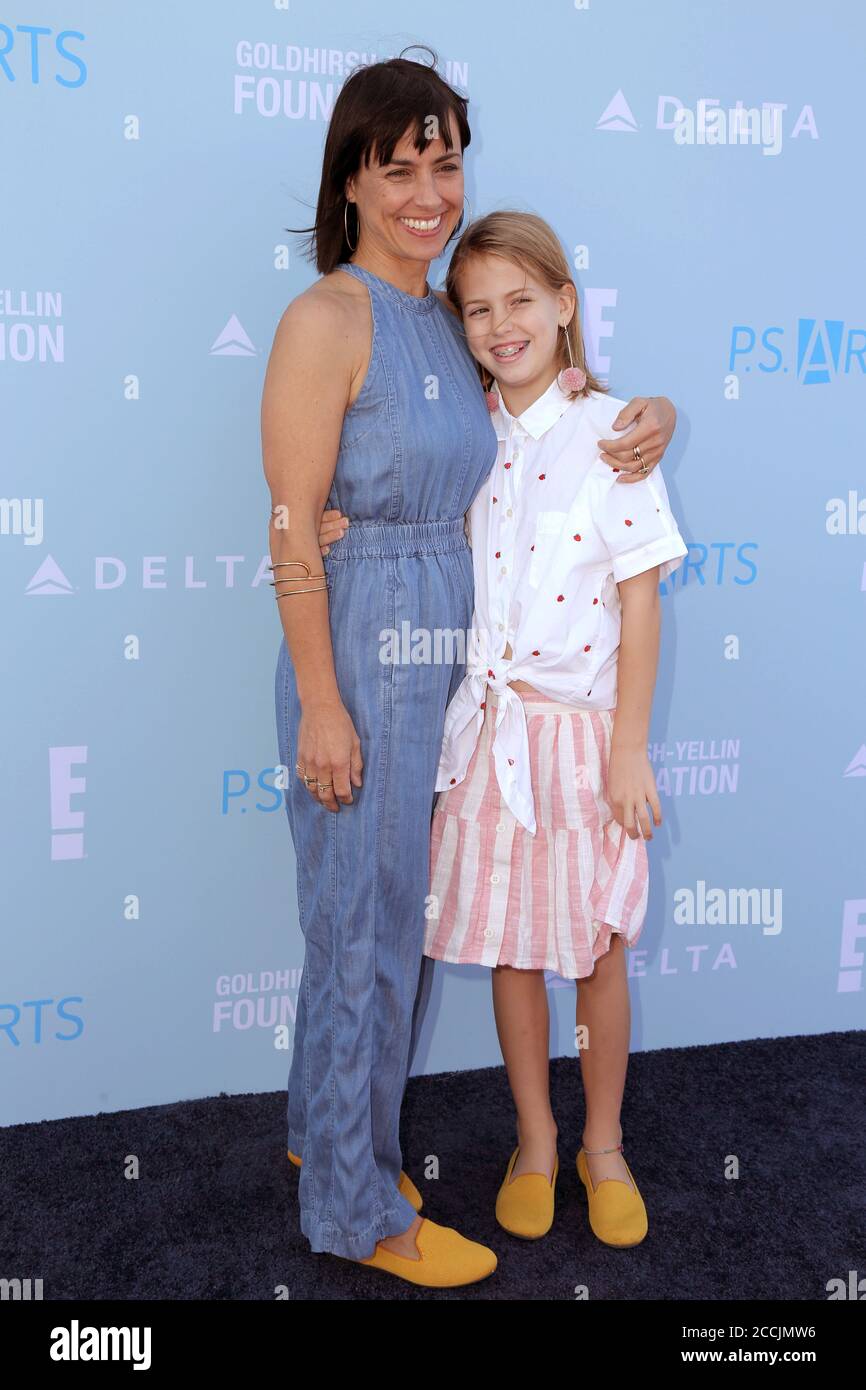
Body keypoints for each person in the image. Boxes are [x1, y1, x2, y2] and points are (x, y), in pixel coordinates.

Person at [264, 52, 679, 1288]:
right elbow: (290, 526)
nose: (427, 192)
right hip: (362, 649)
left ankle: (320, 1139)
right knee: (366, 929)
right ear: (348, 182)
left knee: (376, 918)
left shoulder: (445, 314)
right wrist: (324, 700)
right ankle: (356, 1213)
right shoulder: (325, 318)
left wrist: (642, 408)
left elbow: (540, 397)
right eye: (398, 168)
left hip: (451, 658)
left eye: (444, 163)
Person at [421, 210, 688, 1247]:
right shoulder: (464, 441)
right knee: (510, 948)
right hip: (490, 738)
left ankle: (602, 1141)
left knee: (598, 948)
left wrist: (628, 746)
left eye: (520, 300)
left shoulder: (614, 433)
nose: (500, 324)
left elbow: (640, 600)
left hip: (582, 738)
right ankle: (533, 1136)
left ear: (564, 306)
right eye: (477, 309)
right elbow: (414, 529)